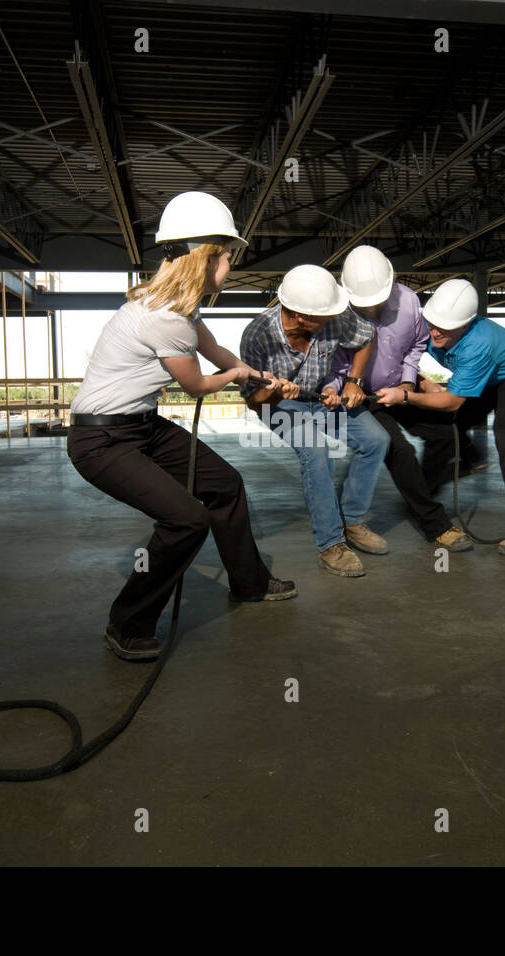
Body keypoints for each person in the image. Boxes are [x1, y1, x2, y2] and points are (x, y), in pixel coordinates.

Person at [67, 190, 296, 662]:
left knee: (225, 485)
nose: (231, 265)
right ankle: (125, 624)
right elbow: (196, 384)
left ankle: (250, 583)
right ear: (203, 258)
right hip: (100, 439)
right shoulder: (163, 317)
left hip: (143, 427)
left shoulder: (180, 307)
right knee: (185, 519)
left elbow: (213, 350)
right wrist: (237, 377)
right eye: (228, 256)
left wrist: (257, 373)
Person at [373, 278, 505, 556]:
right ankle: (435, 490)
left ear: (466, 323)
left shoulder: (478, 344)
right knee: (446, 428)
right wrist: (421, 382)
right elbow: (405, 357)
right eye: (432, 323)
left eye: (444, 328)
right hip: (488, 373)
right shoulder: (427, 323)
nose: (434, 332)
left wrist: (406, 396)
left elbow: (451, 402)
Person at [239, 264, 390, 578]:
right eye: (324, 317)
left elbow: (367, 337)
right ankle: (330, 544)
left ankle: (353, 521)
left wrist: (353, 382)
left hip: (322, 397)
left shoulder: (335, 317)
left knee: (377, 440)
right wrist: (275, 391)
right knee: (317, 451)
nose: (333, 319)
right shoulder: (258, 335)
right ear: (300, 316)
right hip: (279, 406)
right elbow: (254, 401)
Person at [338, 245, 473, 553]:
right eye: (363, 305)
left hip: (400, 388)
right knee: (400, 452)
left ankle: (417, 493)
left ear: (391, 283)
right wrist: (348, 385)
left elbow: (416, 345)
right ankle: (434, 522)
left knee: (445, 434)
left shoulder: (409, 301)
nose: (370, 310)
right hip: (362, 398)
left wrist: (409, 384)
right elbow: (331, 358)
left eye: (376, 303)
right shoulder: (338, 311)